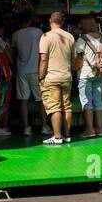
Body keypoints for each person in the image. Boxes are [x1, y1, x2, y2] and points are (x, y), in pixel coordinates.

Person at [38, 12, 76, 144]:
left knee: (55, 107)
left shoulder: (46, 36)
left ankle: (57, 136)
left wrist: (41, 77)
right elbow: (73, 59)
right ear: (63, 22)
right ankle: (67, 135)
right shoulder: (70, 37)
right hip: (66, 76)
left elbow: (43, 59)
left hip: (51, 77)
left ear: (50, 21)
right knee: (66, 106)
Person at [11, 15, 47, 137]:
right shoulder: (38, 32)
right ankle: (44, 126)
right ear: (30, 20)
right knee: (40, 100)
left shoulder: (15, 35)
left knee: (23, 101)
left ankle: (26, 127)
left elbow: (14, 52)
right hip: (36, 70)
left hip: (22, 70)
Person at [74, 16, 102, 139]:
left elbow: (78, 58)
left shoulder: (81, 40)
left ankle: (90, 129)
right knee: (98, 100)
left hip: (85, 74)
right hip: (99, 72)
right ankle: (99, 128)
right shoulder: (101, 36)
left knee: (86, 101)